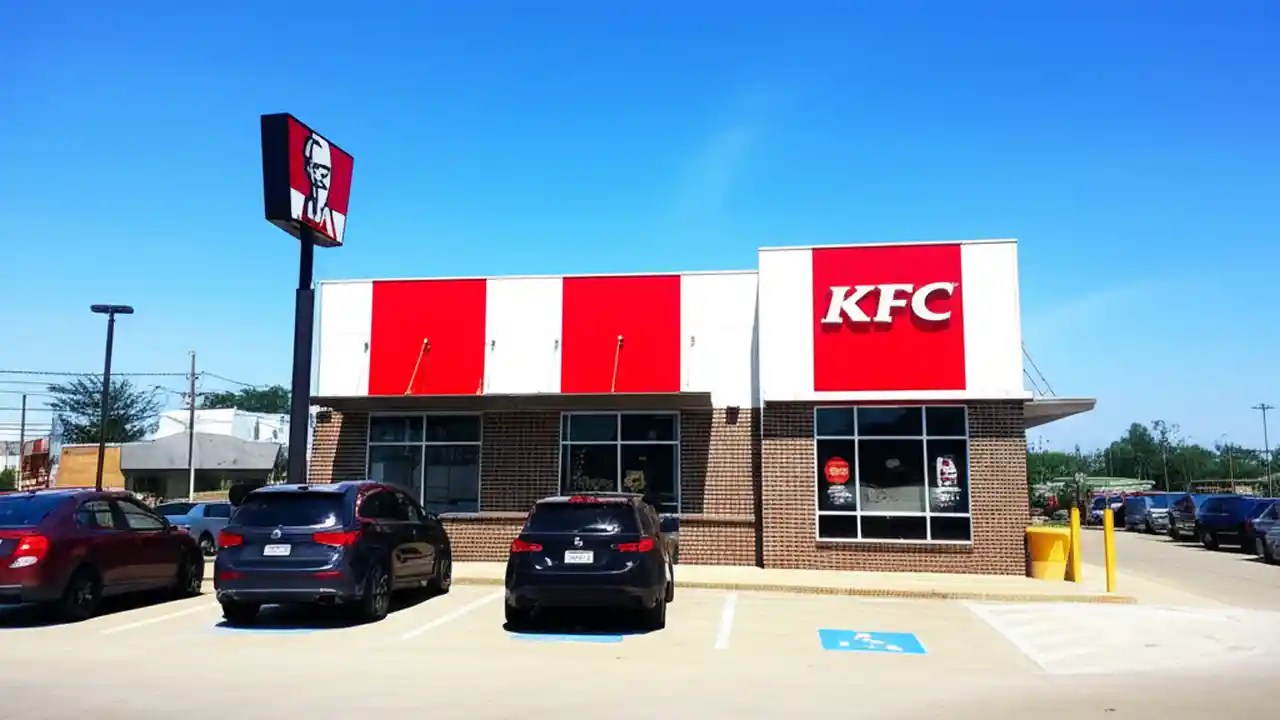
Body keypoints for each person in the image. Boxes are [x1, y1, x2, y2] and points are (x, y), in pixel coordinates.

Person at [301, 132, 335, 238]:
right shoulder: (302, 202)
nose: (318, 177)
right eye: (315, 168)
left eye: (324, 172)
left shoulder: (327, 215)